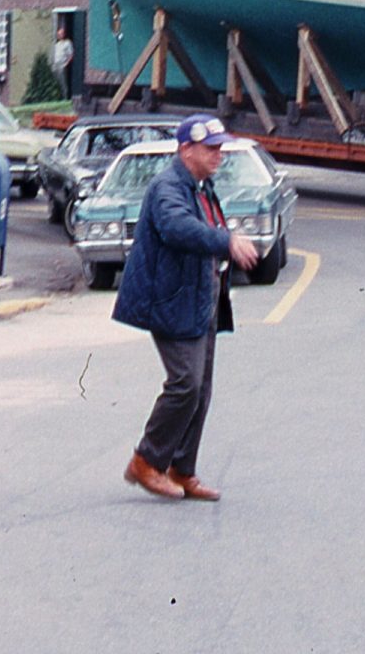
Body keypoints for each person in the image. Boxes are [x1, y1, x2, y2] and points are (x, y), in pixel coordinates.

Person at [114, 114, 259, 501]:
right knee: (185, 384)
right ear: (185, 149)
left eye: (221, 148)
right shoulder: (168, 188)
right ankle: (146, 461)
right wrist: (226, 241)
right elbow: (177, 227)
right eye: (211, 149)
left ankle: (182, 469)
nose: (219, 155)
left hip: (200, 296)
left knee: (201, 389)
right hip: (170, 299)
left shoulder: (201, 186)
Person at [49, 23, 74, 93]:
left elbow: (71, 55)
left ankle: (64, 95)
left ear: (64, 34)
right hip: (55, 65)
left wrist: (66, 64)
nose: (60, 35)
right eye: (58, 34)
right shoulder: (57, 45)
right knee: (55, 80)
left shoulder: (67, 43)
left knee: (62, 82)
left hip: (62, 65)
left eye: (61, 34)